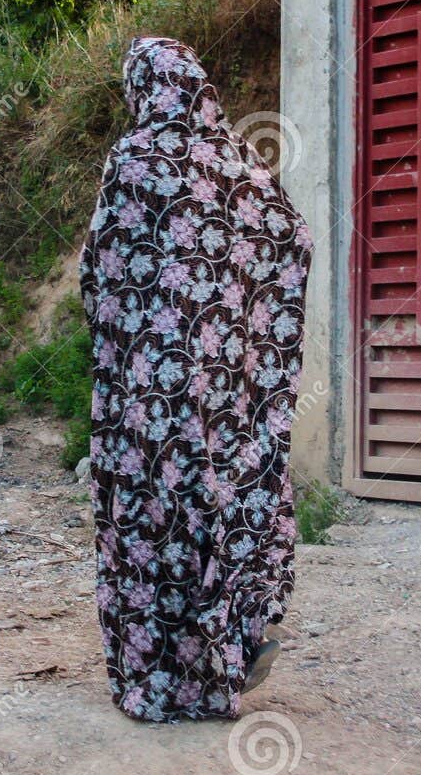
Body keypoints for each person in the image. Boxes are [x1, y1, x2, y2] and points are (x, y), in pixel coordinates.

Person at [78, 36, 312, 722]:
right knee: (219, 503)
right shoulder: (241, 163)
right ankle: (223, 668)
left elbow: (100, 265)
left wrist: (123, 336)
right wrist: (248, 332)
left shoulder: (135, 157)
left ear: (144, 87)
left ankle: (153, 683)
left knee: (151, 520)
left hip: (150, 392)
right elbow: (292, 237)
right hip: (226, 389)